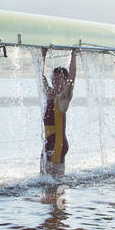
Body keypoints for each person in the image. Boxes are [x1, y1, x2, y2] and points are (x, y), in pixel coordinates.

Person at [39, 47, 78, 177]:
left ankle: (61, 196)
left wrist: (74, 55)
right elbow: (40, 75)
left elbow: (72, 78)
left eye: (59, 79)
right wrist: (43, 54)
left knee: (55, 184)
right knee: (44, 181)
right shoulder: (50, 94)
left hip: (58, 144)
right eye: (54, 78)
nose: (55, 81)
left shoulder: (63, 98)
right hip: (47, 143)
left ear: (65, 81)